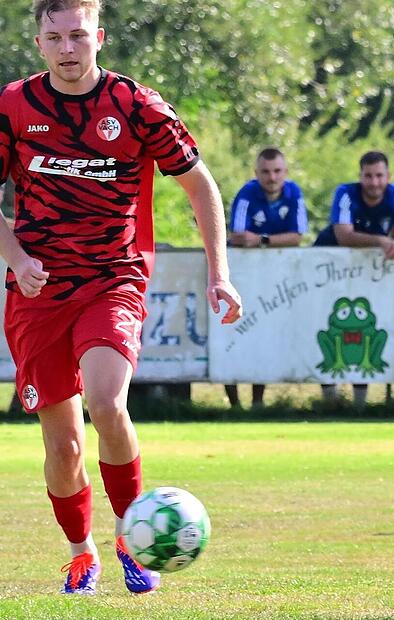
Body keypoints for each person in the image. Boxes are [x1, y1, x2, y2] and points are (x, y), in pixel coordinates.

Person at [0, 0, 242, 595]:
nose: (67, 48)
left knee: (107, 403)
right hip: (37, 290)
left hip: (113, 277)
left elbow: (200, 184)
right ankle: (81, 553)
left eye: (78, 35)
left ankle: (134, 538)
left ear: (99, 37)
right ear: (39, 42)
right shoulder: (13, 106)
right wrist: (18, 260)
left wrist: (220, 273)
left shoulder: (136, 105)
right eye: (55, 37)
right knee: (64, 445)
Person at [314, 151, 394, 406]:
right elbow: (343, 236)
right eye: (368, 176)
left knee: (363, 332)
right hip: (329, 271)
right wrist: (381, 240)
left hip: (364, 273)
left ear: (388, 176)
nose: (374, 182)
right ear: (360, 176)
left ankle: (359, 404)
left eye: (379, 176)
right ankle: (330, 401)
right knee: (328, 329)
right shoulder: (346, 193)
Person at [224, 147, 307, 408]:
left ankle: (258, 403)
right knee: (231, 335)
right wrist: (270, 240)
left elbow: (297, 237)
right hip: (242, 275)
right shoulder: (247, 194)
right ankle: (234, 405)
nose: (272, 177)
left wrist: (262, 239)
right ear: (256, 173)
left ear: (286, 172)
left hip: (274, 278)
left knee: (264, 333)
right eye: (266, 172)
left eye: (277, 171)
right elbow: (239, 237)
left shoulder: (294, 193)